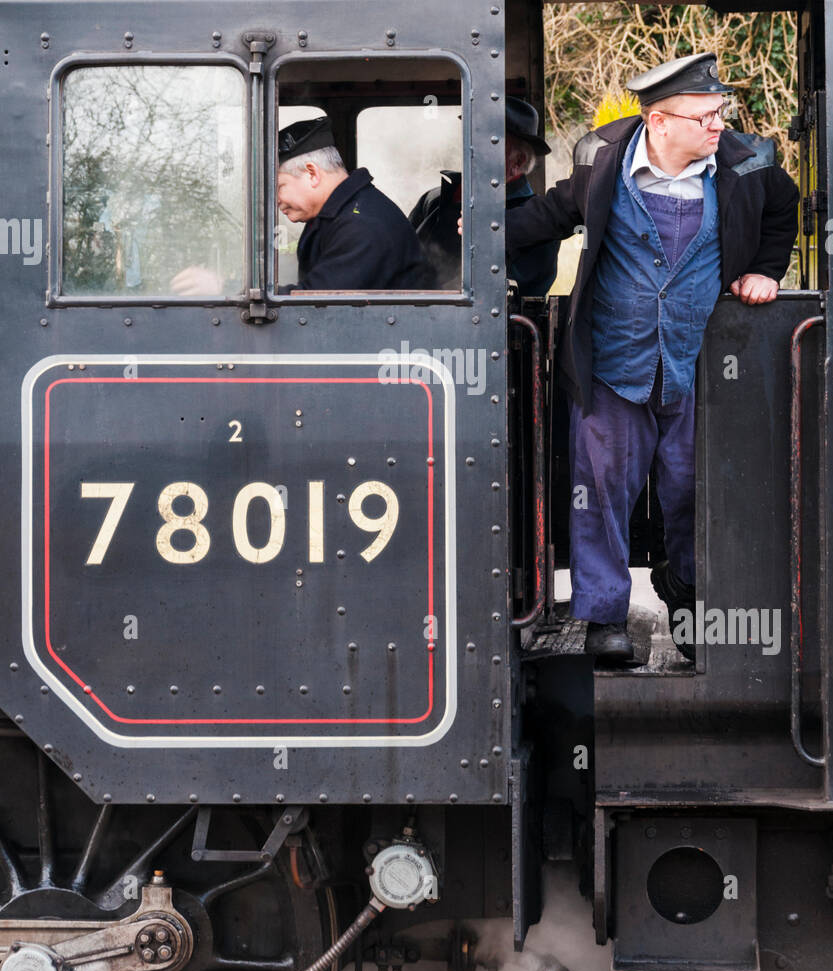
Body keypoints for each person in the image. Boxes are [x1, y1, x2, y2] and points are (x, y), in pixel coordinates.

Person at [505, 53, 799, 666]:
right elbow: (552, 213)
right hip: (613, 363)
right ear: (659, 122)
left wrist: (764, 271)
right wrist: (477, 231)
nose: (719, 124)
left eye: (721, 112)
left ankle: (689, 602)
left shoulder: (749, 164)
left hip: (697, 368)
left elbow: (784, 207)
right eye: (705, 116)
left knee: (691, 487)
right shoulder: (602, 162)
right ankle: (604, 618)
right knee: (602, 488)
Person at [172, 115, 434, 295]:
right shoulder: (340, 214)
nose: (276, 202)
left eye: (279, 187)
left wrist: (225, 289)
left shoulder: (363, 226)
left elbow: (312, 304)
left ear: (311, 173)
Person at [411, 97, 560, 293]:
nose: (472, 148)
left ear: (517, 161)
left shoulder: (536, 220)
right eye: (472, 136)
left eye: (489, 142)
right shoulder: (434, 199)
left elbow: (503, 295)